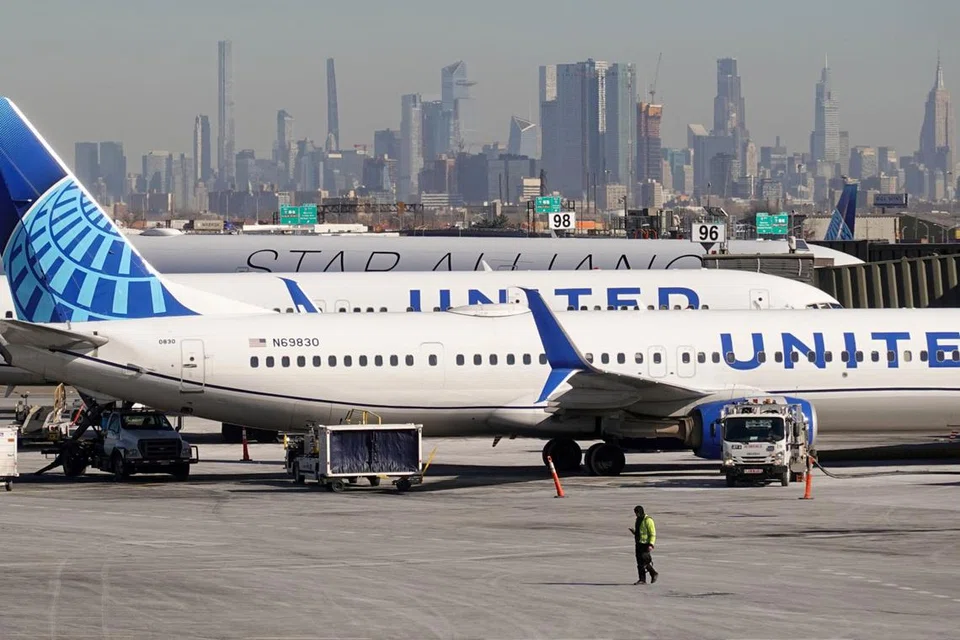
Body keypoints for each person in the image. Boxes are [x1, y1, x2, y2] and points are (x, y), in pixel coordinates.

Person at [629, 505, 658, 585]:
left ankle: (653, 573)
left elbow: (652, 533)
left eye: (637, 513)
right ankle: (642, 579)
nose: (636, 514)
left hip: (645, 544)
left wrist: (651, 544)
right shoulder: (638, 520)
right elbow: (640, 532)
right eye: (635, 513)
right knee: (639, 562)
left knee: (644, 561)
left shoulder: (648, 520)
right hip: (638, 543)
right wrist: (634, 532)